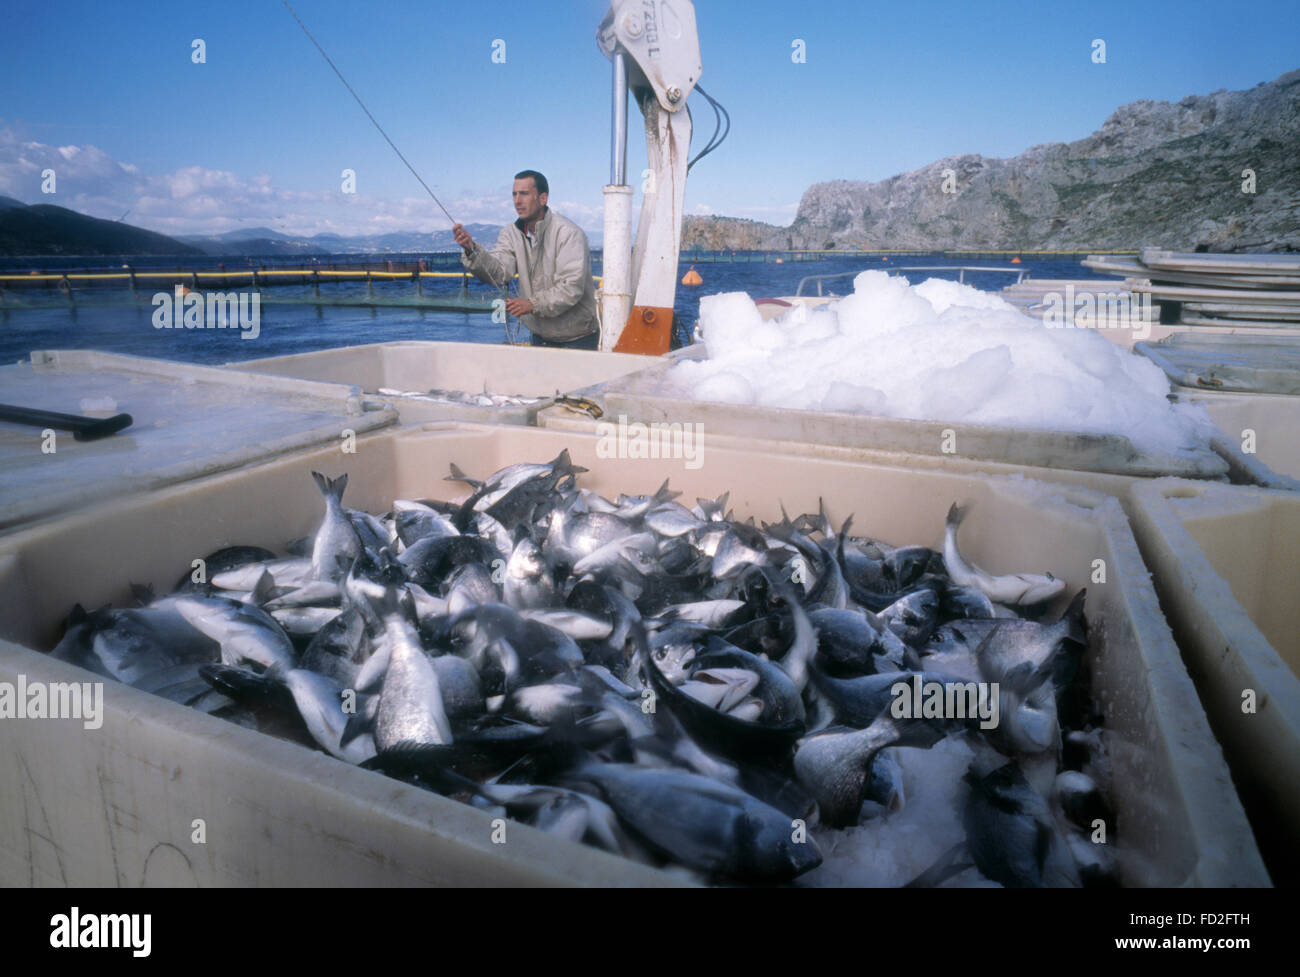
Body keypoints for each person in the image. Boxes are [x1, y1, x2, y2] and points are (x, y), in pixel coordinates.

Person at [452, 170, 600, 349]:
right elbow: (499, 273)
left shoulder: (569, 233)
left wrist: (532, 304)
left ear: (543, 198)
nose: (517, 201)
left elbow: (570, 287)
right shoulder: (510, 234)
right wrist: (471, 250)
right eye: (514, 194)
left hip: (578, 339)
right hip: (539, 337)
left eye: (524, 194)